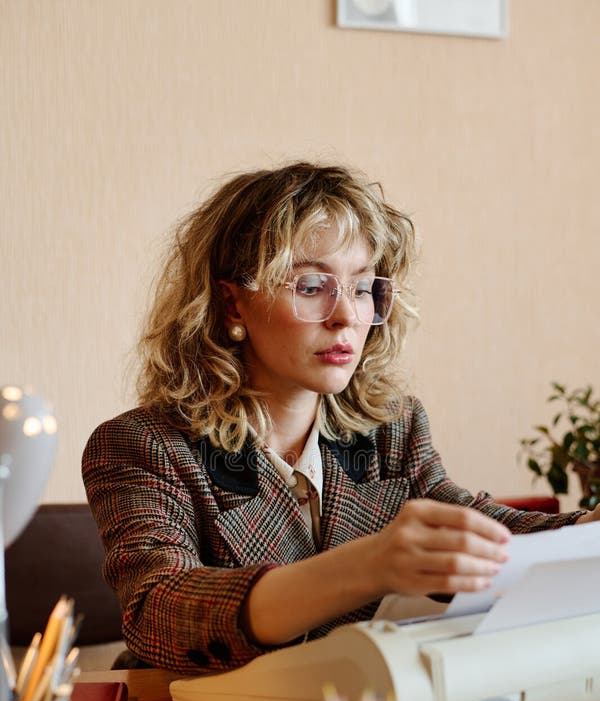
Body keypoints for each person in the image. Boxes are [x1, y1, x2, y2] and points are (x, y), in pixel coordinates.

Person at [82, 161, 597, 674]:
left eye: (361, 287)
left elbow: (470, 526)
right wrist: (366, 566)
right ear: (232, 304)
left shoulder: (391, 426)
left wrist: (584, 530)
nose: (347, 315)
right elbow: (157, 611)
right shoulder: (141, 445)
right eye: (311, 286)